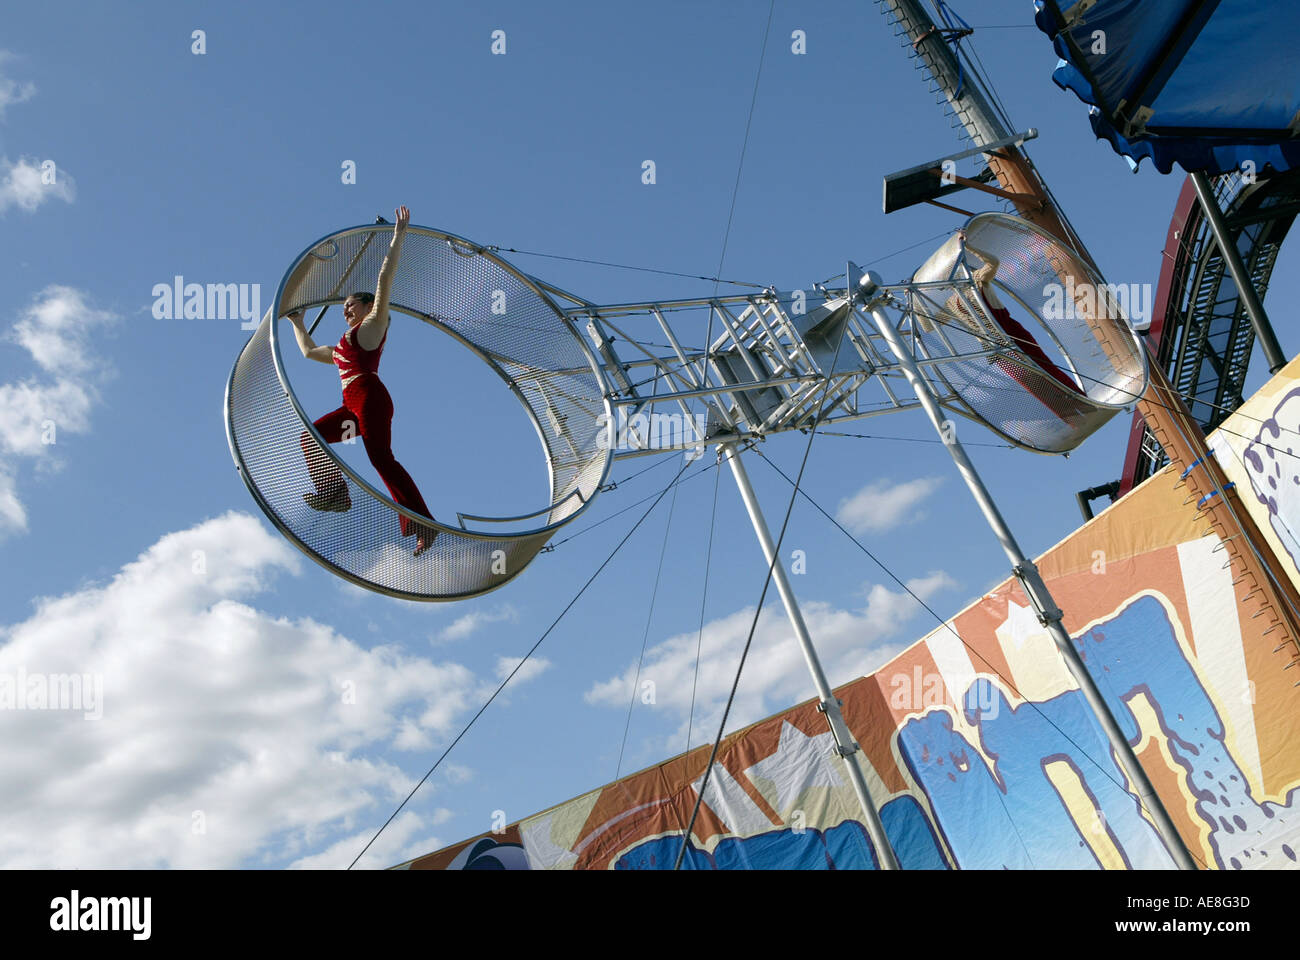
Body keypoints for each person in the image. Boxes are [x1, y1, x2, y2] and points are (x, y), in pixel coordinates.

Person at [286, 205, 438, 557]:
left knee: (381, 459)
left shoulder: (370, 328)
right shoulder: (341, 347)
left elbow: (385, 280)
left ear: (369, 308)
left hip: (371, 398)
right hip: (352, 407)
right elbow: (308, 352)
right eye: (344, 309)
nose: (346, 311)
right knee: (311, 438)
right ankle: (335, 493)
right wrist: (298, 322)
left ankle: (423, 523)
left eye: (351, 306)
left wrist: (398, 237)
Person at [954, 231, 1090, 422]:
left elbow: (993, 263)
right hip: (993, 345)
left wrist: (968, 247)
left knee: (1042, 366)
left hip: (1009, 331)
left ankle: (1080, 402)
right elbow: (929, 323)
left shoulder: (976, 279)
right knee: (1031, 382)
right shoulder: (952, 301)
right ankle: (1068, 415)